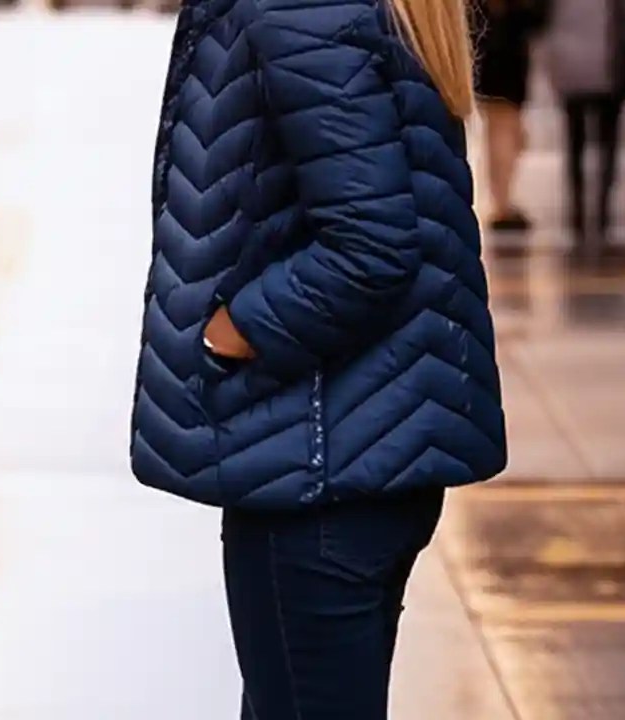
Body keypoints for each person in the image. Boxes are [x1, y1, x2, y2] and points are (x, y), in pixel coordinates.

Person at [130, 0, 508, 716]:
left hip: (317, 464)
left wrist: (229, 334)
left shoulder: (302, 7)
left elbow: (371, 247)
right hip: (354, 450)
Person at [537, 0, 625, 246]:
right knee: (606, 145)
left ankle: (577, 213)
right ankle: (602, 213)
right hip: (609, 70)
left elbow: (543, 23)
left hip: (572, 71)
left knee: (575, 144)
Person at [473, 0, 539, 231]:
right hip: (507, 62)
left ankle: (501, 199)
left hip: (490, 58)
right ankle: (501, 202)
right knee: (504, 133)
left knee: (501, 133)